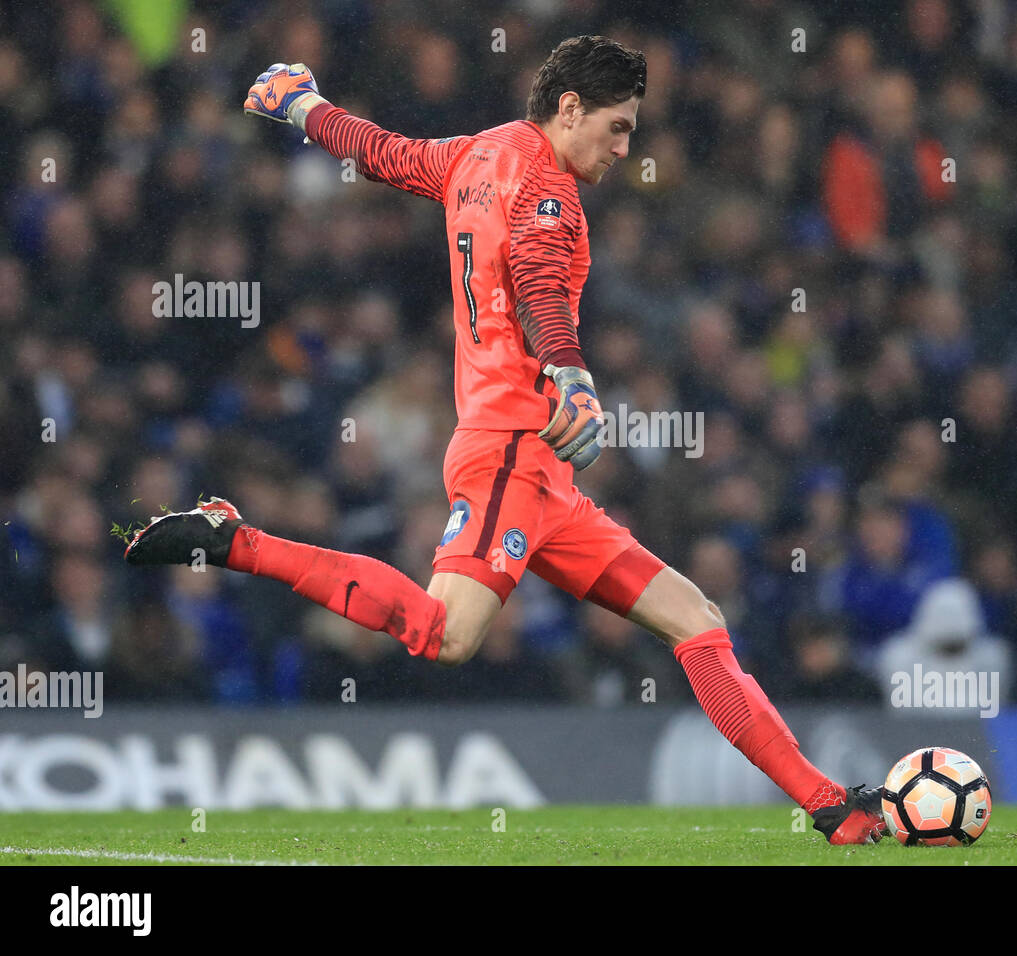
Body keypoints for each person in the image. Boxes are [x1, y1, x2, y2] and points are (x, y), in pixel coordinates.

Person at [123, 36, 883, 844]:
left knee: (695, 619)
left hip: (543, 470)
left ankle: (827, 805)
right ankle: (235, 543)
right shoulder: (549, 189)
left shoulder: (476, 155)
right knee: (444, 637)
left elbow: (381, 153)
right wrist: (573, 375)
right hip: (512, 448)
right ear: (569, 109)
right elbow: (539, 280)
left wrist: (304, 106)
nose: (626, 148)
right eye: (618, 128)